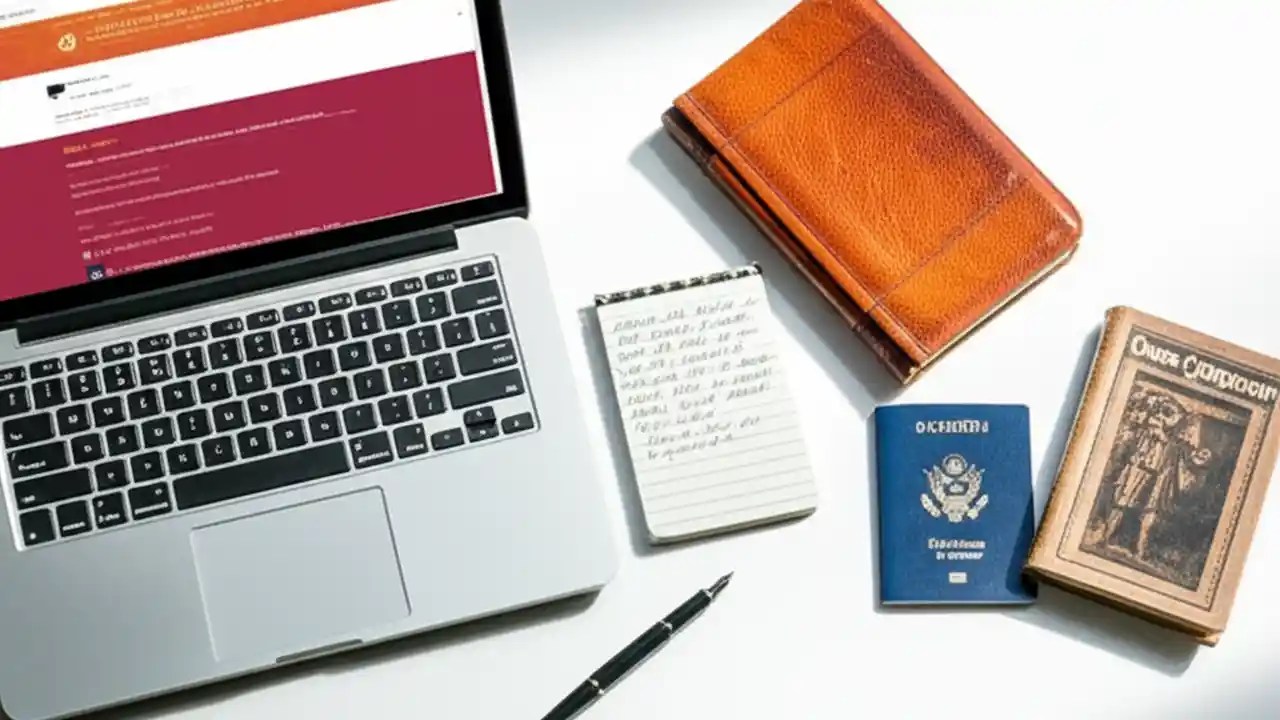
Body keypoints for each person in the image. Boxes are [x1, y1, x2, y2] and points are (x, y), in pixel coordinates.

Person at [1102, 391, 1212, 562]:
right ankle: (1106, 538)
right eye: (1161, 411)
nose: (1161, 416)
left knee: (1149, 511)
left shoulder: (1176, 442)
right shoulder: (1147, 430)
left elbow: (1189, 458)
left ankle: (1139, 549)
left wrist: (1199, 458)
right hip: (1138, 469)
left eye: (1168, 413)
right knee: (1121, 503)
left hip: (1158, 478)